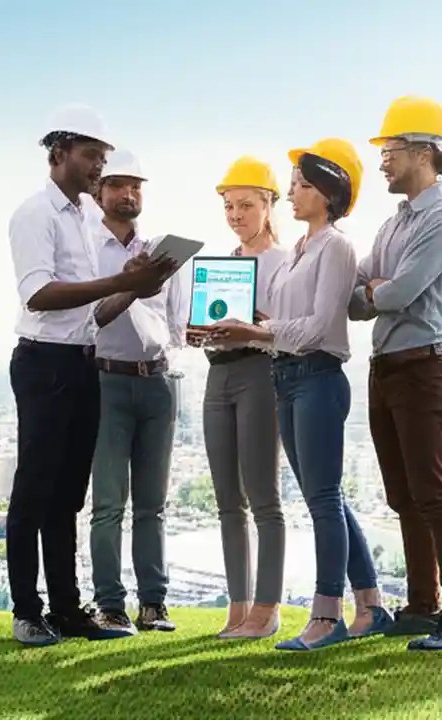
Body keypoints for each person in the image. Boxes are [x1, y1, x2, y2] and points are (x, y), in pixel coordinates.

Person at [209, 138, 392, 650]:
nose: (292, 193)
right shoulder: (298, 252)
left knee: (322, 499)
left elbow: (318, 326)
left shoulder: (336, 246)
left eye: (302, 185)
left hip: (316, 376)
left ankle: (326, 616)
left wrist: (257, 334)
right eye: (292, 185)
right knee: (324, 494)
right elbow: (288, 320)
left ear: (329, 192)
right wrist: (252, 327)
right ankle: (372, 603)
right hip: (286, 378)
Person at [6, 104, 176, 646]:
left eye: (103, 158)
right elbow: (38, 293)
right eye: (92, 157)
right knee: (33, 492)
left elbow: (89, 307)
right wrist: (115, 286)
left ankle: (67, 611)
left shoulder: (80, 216)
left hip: (81, 362)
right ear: (58, 154)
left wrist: (132, 283)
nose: (98, 168)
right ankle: (26, 611)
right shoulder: (35, 214)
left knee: (68, 498)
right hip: (44, 363)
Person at [348, 95, 442, 650]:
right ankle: (424, 606)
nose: (383, 159)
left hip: (424, 366)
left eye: (392, 150)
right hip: (386, 368)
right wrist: (377, 291)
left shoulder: (439, 216)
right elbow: (356, 296)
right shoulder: (391, 225)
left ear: (426, 153)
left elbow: (404, 291)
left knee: (433, 491)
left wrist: (380, 291)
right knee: (403, 495)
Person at [85, 148, 189, 636]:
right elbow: (92, 317)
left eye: (136, 187)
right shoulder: (86, 250)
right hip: (106, 382)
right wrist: (135, 284)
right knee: (108, 503)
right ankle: (109, 604)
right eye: (119, 185)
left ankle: (154, 604)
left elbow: (177, 325)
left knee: (154, 504)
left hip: (158, 383)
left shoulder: (163, 253)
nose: (129, 194)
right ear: (99, 192)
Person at [195, 157, 288, 639]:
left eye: (245, 205)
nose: (235, 214)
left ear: (268, 205)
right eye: (229, 206)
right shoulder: (226, 262)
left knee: (264, 499)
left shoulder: (283, 261)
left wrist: (253, 320)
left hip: (258, 373)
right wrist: (200, 331)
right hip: (218, 376)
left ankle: (267, 609)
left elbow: (287, 325)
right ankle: (238, 607)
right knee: (228, 502)